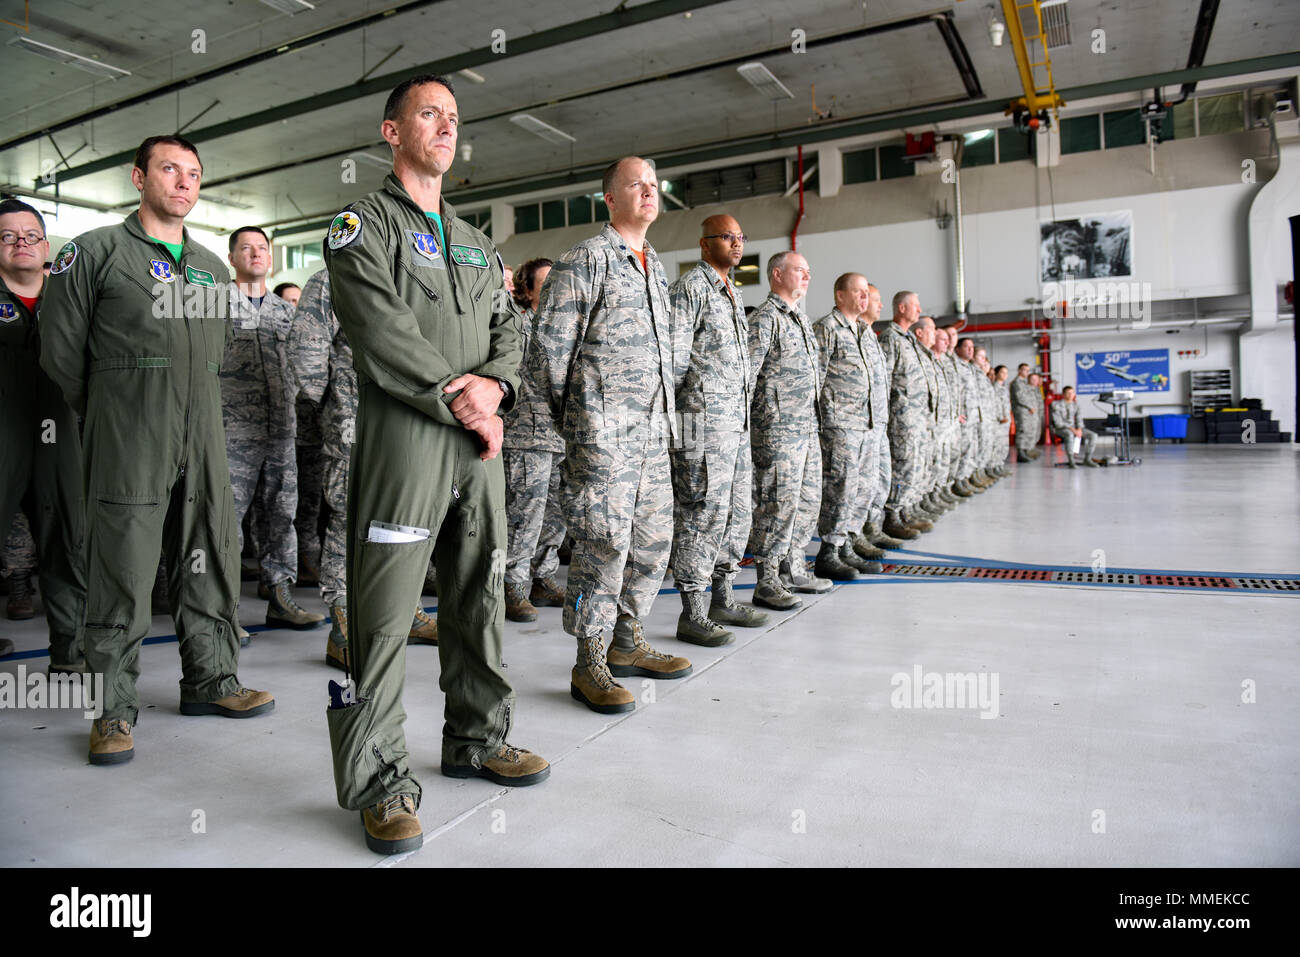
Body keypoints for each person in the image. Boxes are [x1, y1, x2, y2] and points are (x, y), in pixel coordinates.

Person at [323, 74, 549, 856]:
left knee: (478, 592)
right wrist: (465, 397)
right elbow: (382, 333)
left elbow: (508, 331)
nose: (446, 126)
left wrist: (497, 387)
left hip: (477, 450)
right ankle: (381, 783)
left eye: (454, 116)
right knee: (385, 618)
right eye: (429, 113)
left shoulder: (477, 240)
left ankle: (477, 737)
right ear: (392, 132)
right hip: (407, 444)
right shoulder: (361, 226)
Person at [40, 134, 275, 766]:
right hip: (128, 427)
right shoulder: (95, 254)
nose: (184, 182)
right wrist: (117, 404)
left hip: (201, 426)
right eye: (170, 169)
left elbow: (213, 347)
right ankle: (112, 708)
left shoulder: (209, 267)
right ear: (138, 176)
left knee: (209, 549)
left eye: (194, 173)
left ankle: (210, 679)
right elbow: (61, 351)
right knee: (122, 563)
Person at [527, 155, 692, 715]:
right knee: (602, 545)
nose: (649, 192)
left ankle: (627, 640)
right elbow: (549, 355)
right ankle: (588, 659)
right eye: (635, 185)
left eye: (654, 184)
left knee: (651, 542)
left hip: (651, 435)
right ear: (610, 199)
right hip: (603, 439)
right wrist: (582, 425)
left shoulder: (654, 265)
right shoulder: (585, 261)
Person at [293, 265, 437, 672]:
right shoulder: (338, 274)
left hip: (412, 411)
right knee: (350, 514)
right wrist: (332, 404)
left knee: (407, 510)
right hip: (355, 410)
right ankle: (343, 624)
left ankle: (404, 608)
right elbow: (307, 346)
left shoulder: (417, 273)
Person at [667, 215, 766, 645]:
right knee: (701, 515)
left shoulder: (731, 292)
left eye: (741, 237)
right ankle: (691, 610)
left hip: (735, 426)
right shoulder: (692, 289)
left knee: (736, 513)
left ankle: (722, 598)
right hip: (702, 426)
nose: (737, 243)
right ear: (705, 245)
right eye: (728, 237)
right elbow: (673, 361)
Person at [222, 226, 325, 630]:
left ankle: (280, 597)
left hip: (282, 431)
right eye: (245, 248)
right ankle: (222, 612)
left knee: (282, 515)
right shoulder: (215, 308)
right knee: (227, 525)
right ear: (231, 258)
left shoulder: (288, 313)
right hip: (232, 434)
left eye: (262, 248)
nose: (255, 254)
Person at [0, 199, 86, 670]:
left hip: (60, 442)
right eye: (8, 236)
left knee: (67, 543)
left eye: (31, 235)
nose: (21, 244)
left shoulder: (69, 299)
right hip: (3, 438)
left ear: (46, 244)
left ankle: (69, 650)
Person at [746, 251, 827, 609]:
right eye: (799, 271)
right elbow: (748, 376)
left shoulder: (801, 320)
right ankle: (766, 580)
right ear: (777, 274)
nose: (807, 276)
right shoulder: (766, 319)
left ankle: (794, 569)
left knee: (806, 502)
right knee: (776, 505)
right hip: (777, 430)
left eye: (809, 271)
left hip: (807, 428)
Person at [501, 256, 567, 622]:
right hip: (526, 435)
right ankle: (513, 585)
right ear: (527, 289)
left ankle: (542, 577)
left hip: (560, 437)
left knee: (556, 515)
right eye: (546, 282)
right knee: (524, 516)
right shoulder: (517, 324)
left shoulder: (564, 327)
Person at [812, 273, 886, 580]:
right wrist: (823, 420)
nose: (863, 297)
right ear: (839, 295)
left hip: (867, 424)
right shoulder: (827, 329)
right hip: (839, 425)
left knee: (862, 486)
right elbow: (815, 377)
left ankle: (847, 544)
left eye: (865, 293)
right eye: (857, 292)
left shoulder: (864, 332)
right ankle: (829, 550)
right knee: (840, 488)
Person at [877, 291, 935, 539]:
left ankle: (905, 511)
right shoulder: (891, 338)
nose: (919, 310)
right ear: (901, 308)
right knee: (902, 466)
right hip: (901, 418)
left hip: (916, 417)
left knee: (913, 465)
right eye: (915, 305)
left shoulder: (908, 339)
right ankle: (892, 516)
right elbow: (885, 379)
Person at [1050, 386, 1099, 467]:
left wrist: (1079, 429)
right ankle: (1071, 460)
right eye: (1068, 393)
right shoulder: (1056, 404)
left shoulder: (1076, 405)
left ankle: (1088, 459)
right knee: (1069, 434)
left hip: (1075, 428)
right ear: (1063, 394)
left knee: (1093, 435)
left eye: (1072, 393)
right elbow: (1058, 422)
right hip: (1061, 428)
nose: (1071, 395)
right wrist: (1073, 430)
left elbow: (1079, 419)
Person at [1010, 364, 1041, 461]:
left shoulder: (1024, 383)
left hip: (1027, 412)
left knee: (1028, 431)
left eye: (1028, 370)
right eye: (1024, 370)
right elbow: (1020, 397)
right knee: (1022, 431)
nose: (1026, 372)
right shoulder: (1017, 383)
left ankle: (1026, 450)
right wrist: (1030, 406)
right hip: (1021, 411)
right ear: (1019, 370)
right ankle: (1020, 453)